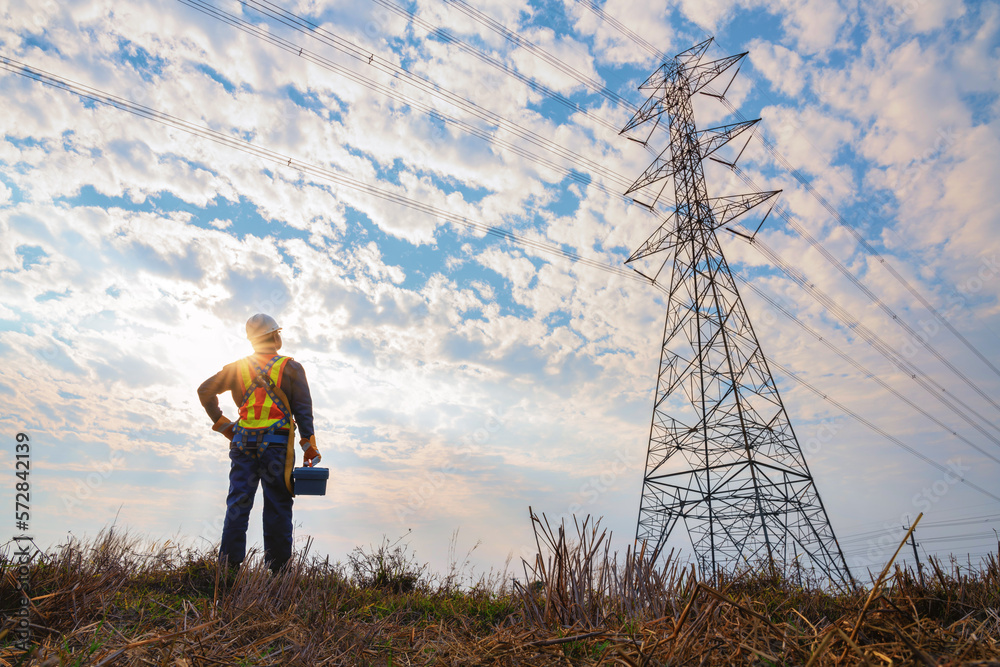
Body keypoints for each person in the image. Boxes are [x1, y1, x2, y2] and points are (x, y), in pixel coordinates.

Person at [198, 313, 321, 574]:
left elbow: (204, 390)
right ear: (275, 336)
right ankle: (277, 574)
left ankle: (227, 570)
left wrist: (223, 425)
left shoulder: (237, 368)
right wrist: (309, 445)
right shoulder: (291, 367)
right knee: (277, 505)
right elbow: (303, 410)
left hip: (242, 444)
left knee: (238, 503)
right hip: (276, 446)